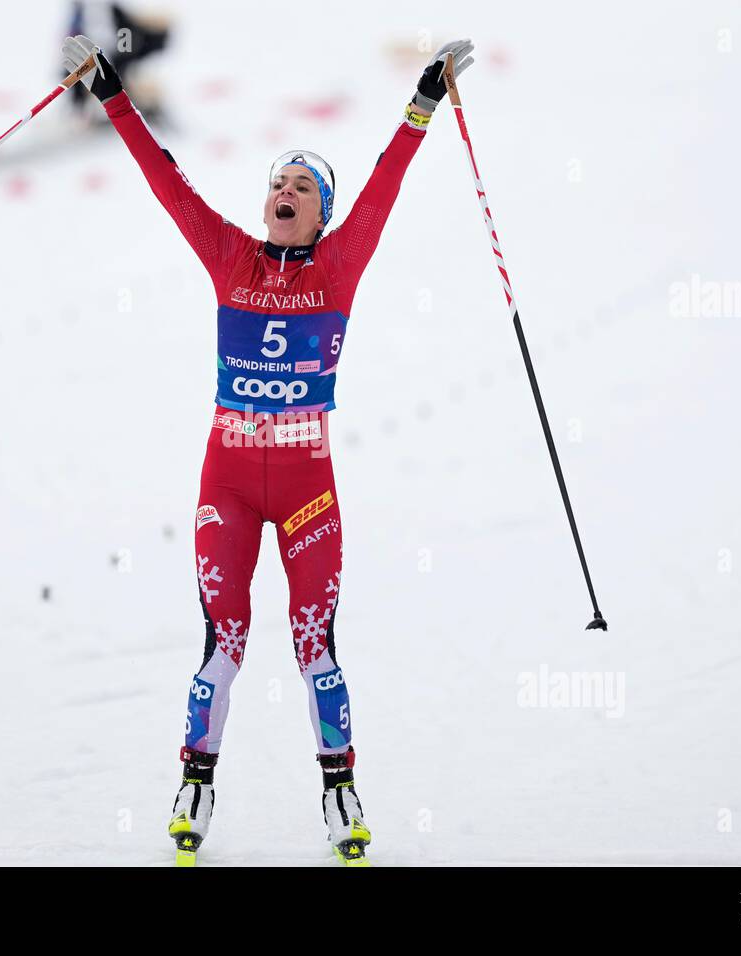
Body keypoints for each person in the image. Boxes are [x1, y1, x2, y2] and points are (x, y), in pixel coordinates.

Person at [61, 34, 474, 865]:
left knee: (314, 639)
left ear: (322, 209)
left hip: (307, 491)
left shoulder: (339, 267)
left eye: (301, 187)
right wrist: (110, 93)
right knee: (225, 638)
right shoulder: (230, 257)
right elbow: (166, 183)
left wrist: (423, 99)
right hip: (229, 483)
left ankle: (340, 791)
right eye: (276, 184)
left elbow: (388, 186)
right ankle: (195, 782)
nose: (284, 192)